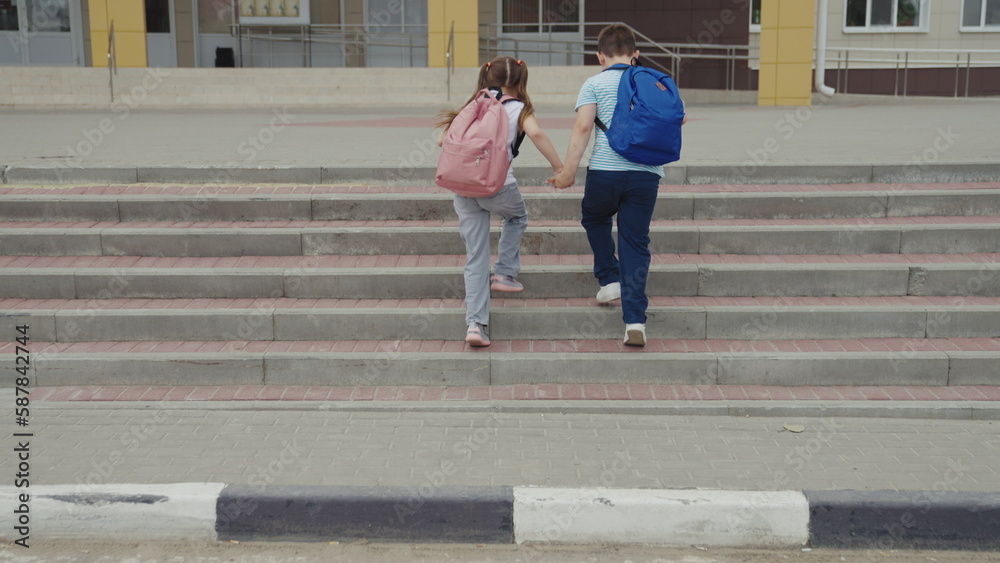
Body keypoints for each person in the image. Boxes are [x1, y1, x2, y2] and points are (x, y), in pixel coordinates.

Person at [548, 24, 686, 347]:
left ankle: (609, 278)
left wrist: (568, 171)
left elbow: (583, 129)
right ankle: (635, 321)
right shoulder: (652, 81)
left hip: (605, 172)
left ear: (600, 56)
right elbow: (674, 119)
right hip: (647, 175)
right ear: (635, 54)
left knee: (595, 218)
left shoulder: (594, 83)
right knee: (635, 243)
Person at [437, 56, 563, 347]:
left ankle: (475, 325)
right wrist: (560, 168)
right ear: (519, 81)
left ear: (487, 77)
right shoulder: (517, 108)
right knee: (517, 218)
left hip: (464, 189)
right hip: (498, 187)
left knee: (475, 258)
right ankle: (505, 273)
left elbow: (443, 141)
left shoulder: (473, 104)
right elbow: (537, 134)